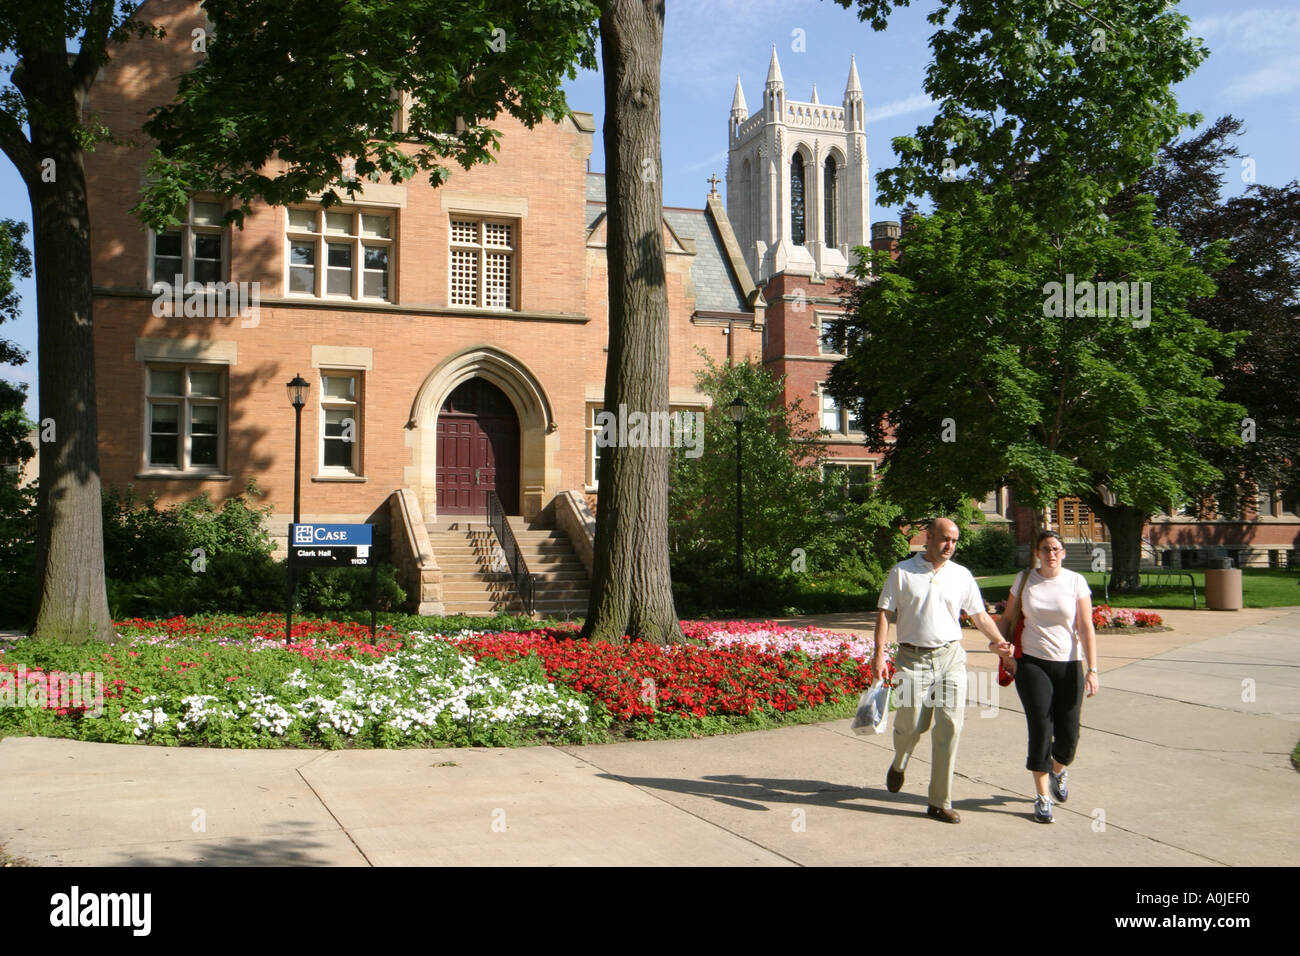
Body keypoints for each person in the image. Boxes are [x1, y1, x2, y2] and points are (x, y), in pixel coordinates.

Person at [871, 517, 1010, 823]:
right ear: (929, 537)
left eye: (955, 541)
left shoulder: (961, 575)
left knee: (950, 726)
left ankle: (939, 801)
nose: (950, 546)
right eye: (945, 539)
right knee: (911, 726)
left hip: (951, 658)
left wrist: (1000, 642)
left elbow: (979, 615)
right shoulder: (902, 572)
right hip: (912, 660)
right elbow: (884, 614)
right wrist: (878, 656)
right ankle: (899, 761)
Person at [997, 530, 1099, 824]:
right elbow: (1007, 617)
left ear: (1063, 552)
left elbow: (1085, 627)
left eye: (1055, 548)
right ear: (1037, 553)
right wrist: (1002, 651)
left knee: (1068, 734)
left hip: (1069, 665)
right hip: (1031, 663)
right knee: (1041, 726)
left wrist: (1092, 669)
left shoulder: (1075, 581)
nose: (1050, 554)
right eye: (1045, 549)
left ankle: (1058, 769)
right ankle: (1042, 797)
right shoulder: (1025, 579)